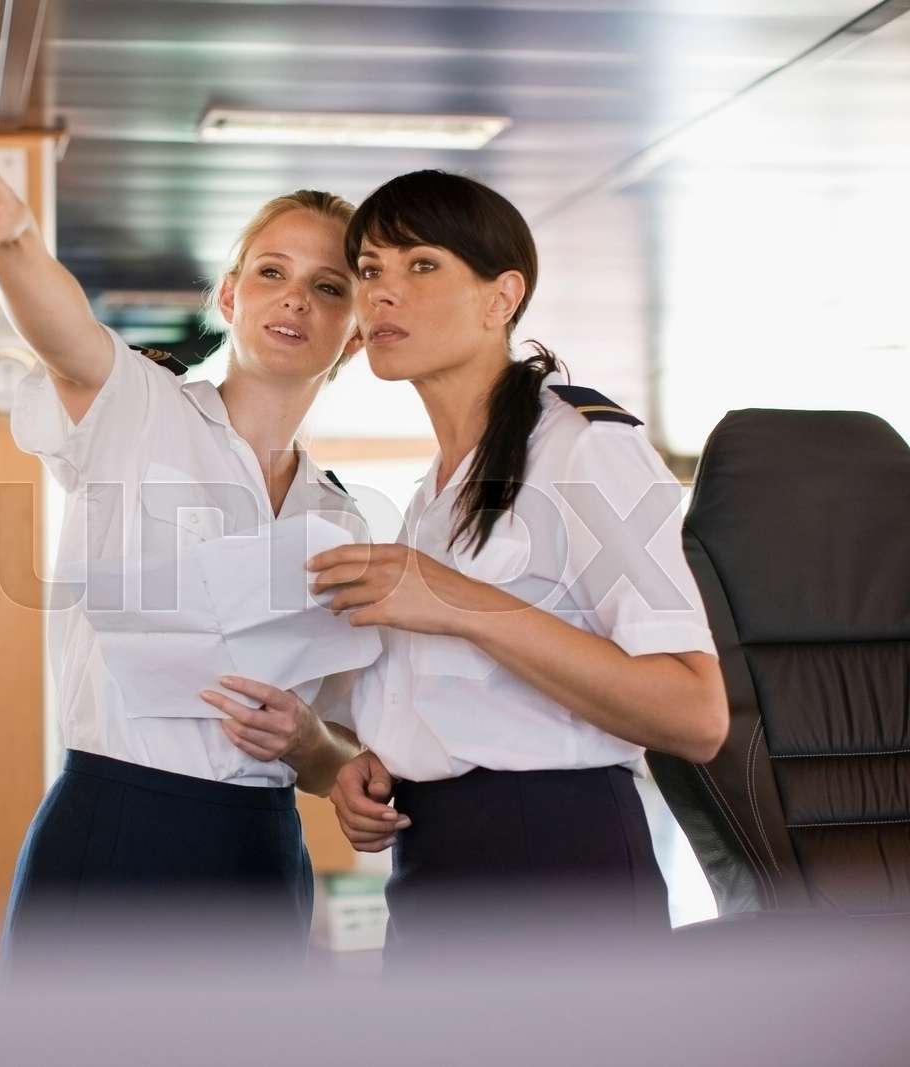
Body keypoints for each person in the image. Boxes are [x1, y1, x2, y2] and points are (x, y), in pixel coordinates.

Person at [0, 149, 405, 968]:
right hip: (118, 830)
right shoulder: (140, 409)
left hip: (263, 852)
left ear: (354, 333)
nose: (294, 297)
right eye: (271, 271)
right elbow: (67, 336)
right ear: (229, 295)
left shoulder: (340, 519)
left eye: (328, 286)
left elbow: (344, 751)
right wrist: (14, 238)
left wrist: (311, 743)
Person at [307, 170, 730, 966]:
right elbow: (467, 702)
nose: (383, 294)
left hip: (555, 860)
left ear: (502, 297)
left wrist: (462, 603)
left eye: (420, 265)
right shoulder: (435, 492)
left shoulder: (584, 446)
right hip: (434, 860)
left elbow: (696, 714)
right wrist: (372, 761)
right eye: (369, 271)